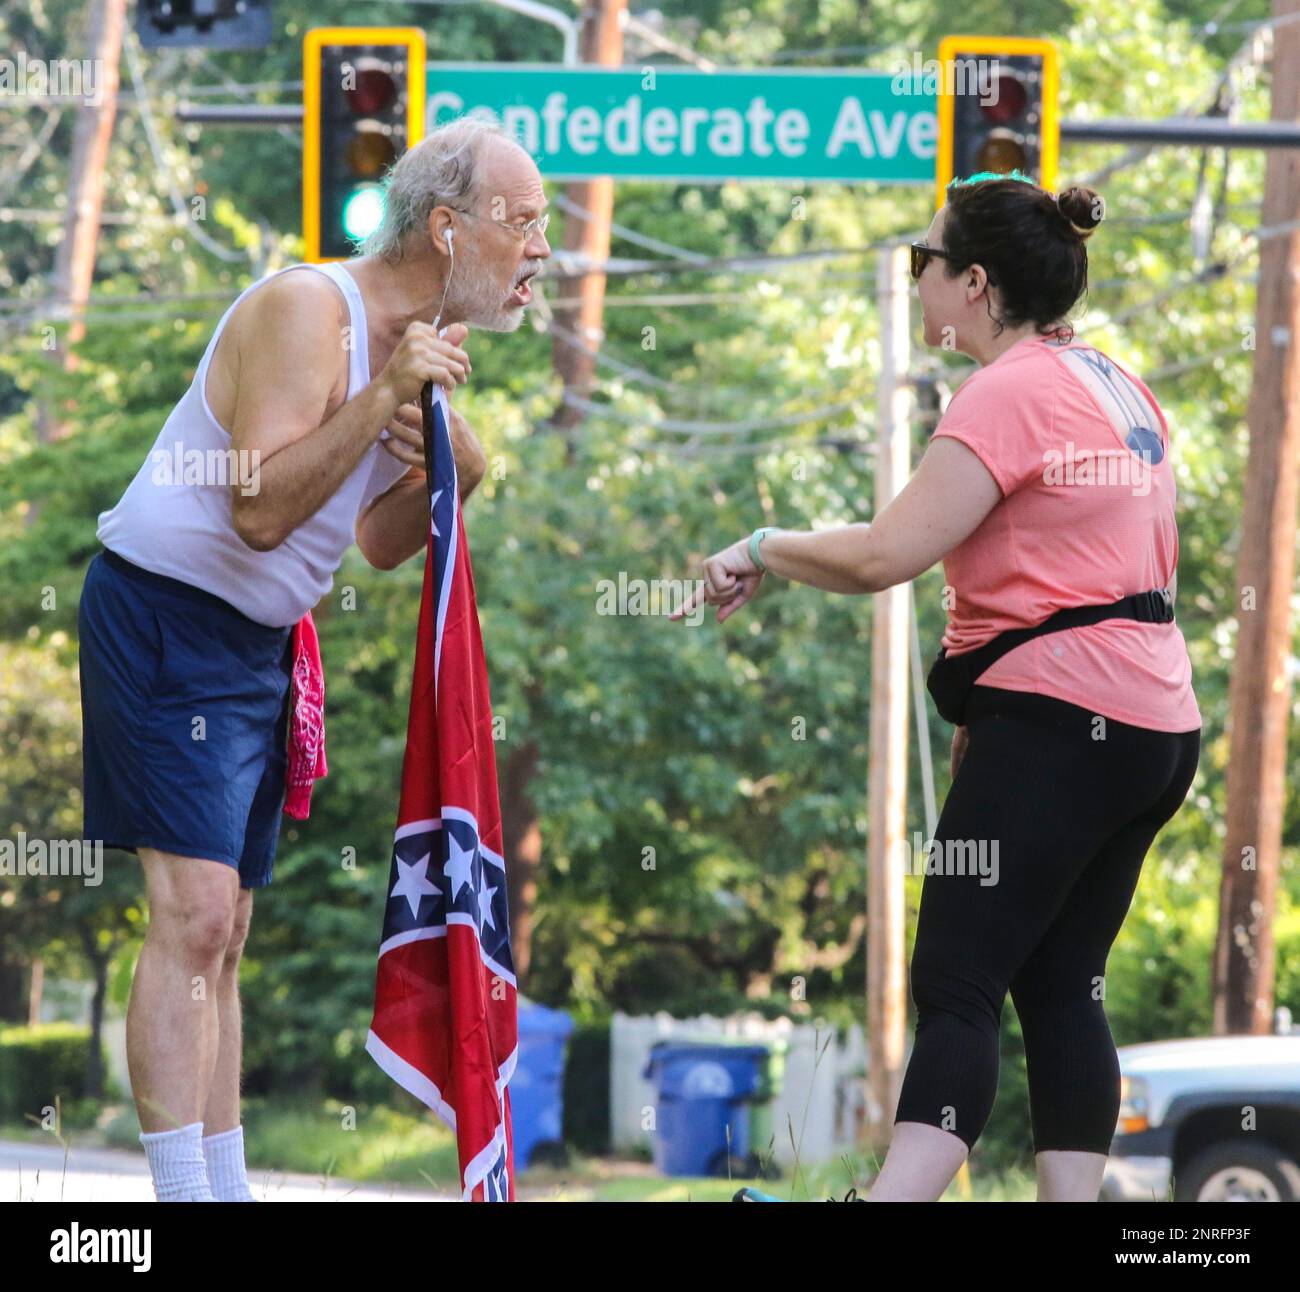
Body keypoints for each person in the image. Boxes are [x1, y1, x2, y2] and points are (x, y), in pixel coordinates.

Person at [680, 172, 1201, 1203]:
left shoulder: (1005, 390)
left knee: (957, 981)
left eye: (921, 261)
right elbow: (1106, 565)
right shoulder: (1115, 383)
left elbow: (886, 553)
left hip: (1064, 716)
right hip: (1151, 724)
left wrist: (759, 545)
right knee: (1063, 983)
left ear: (972, 281)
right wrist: (990, 715)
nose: (914, 277)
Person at [77, 115, 550, 1201]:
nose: (540, 251)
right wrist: (385, 398)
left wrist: (455, 473)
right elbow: (256, 508)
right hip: (165, 613)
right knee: (192, 915)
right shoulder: (308, 309)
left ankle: (224, 1183)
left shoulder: (423, 351)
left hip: (259, 642)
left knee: (229, 926)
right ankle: (178, 1198)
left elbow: (378, 544)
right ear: (446, 227)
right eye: (521, 223)